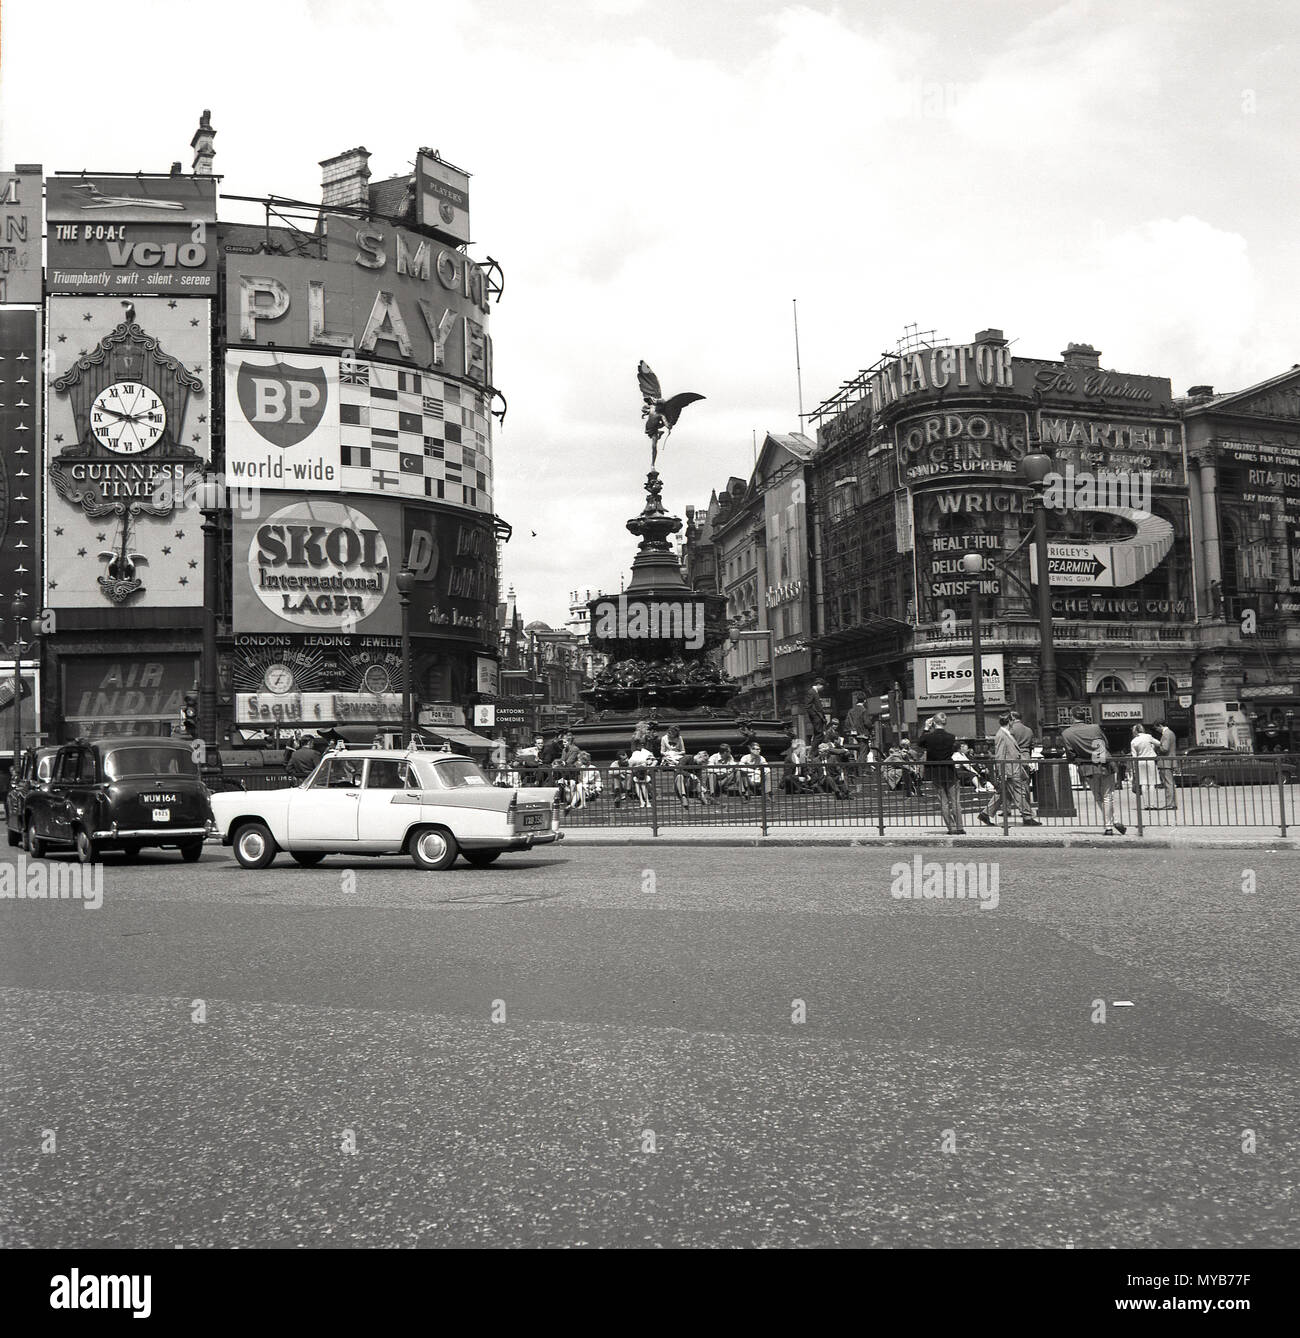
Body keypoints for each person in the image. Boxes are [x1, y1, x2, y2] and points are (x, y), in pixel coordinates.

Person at [1061, 705, 1126, 835]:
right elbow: (1105, 744)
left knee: (1098, 796)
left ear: (1072, 718)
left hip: (1087, 766)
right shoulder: (1095, 727)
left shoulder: (1066, 733)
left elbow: (1071, 754)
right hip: (1104, 763)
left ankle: (1111, 824)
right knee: (1108, 796)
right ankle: (1110, 824)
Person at [979, 713, 1041, 826]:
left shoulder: (1005, 733)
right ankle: (1027, 817)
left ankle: (985, 814)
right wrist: (1002, 772)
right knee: (1018, 792)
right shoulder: (1001, 735)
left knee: (1003, 793)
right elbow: (999, 755)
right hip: (1010, 769)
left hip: (1011, 768)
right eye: (1012, 721)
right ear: (1010, 722)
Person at [911, 711, 965, 834]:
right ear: (944, 722)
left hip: (936, 771)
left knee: (943, 801)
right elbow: (953, 749)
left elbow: (919, 744)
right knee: (955, 800)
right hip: (949, 770)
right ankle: (960, 827)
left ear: (934, 723)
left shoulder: (929, 737)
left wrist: (925, 728)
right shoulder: (951, 737)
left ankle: (951, 828)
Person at [1129, 722, 1160, 803]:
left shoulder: (1133, 741)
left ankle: (1146, 804)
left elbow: (1134, 756)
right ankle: (1152, 804)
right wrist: (1152, 747)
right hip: (1150, 760)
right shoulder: (1148, 737)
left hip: (1140, 761)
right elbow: (1158, 743)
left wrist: (1134, 769)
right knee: (1152, 783)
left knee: (1143, 783)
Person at [660, 725, 690, 806]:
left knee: (679, 761)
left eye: (672, 734)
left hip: (677, 755)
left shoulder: (679, 738)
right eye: (669, 733)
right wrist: (668, 753)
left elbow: (683, 751)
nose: (670, 735)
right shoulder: (664, 738)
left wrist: (676, 753)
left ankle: (677, 767)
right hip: (668, 756)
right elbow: (662, 751)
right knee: (670, 760)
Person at [843, 691, 871, 764]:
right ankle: (860, 769)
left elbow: (847, 722)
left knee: (862, 750)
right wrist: (870, 727)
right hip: (863, 734)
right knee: (864, 751)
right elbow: (867, 723)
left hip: (854, 734)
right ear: (864, 700)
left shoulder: (851, 711)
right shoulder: (864, 710)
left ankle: (859, 768)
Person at [1157, 720, 1179, 810]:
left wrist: (1157, 747)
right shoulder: (1171, 733)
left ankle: (1170, 804)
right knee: (1170, 783)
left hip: (1165, 761)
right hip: (1169, 761)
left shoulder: (1165, 734)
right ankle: (1172, 803)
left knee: (1168, 784)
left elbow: (1164, 748)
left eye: (1156, 728)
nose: (1157, 730)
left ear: (1160, 725)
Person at [629, 739, 657, 808]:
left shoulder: (647, 752)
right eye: (639, 744)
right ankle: (642, 801)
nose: (641, 745)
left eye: (642, 744)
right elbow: (630, 764)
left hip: (646, 773)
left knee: (642, 784)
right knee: (637, 782)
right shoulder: (634, 753)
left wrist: (650, 767)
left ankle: (646, 801)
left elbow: (654, 761)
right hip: (636, 774)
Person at [805, 677, 830, 744]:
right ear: (818, 684)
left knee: (818, 735)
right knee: (819, 735)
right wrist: (815, 717)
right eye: (822, 686)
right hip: (816, 717)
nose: (823, 688)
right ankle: (813, 752)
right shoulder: (811, 692)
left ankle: (814, 752)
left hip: (818, 717)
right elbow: (808, 706)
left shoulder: (815, 693)